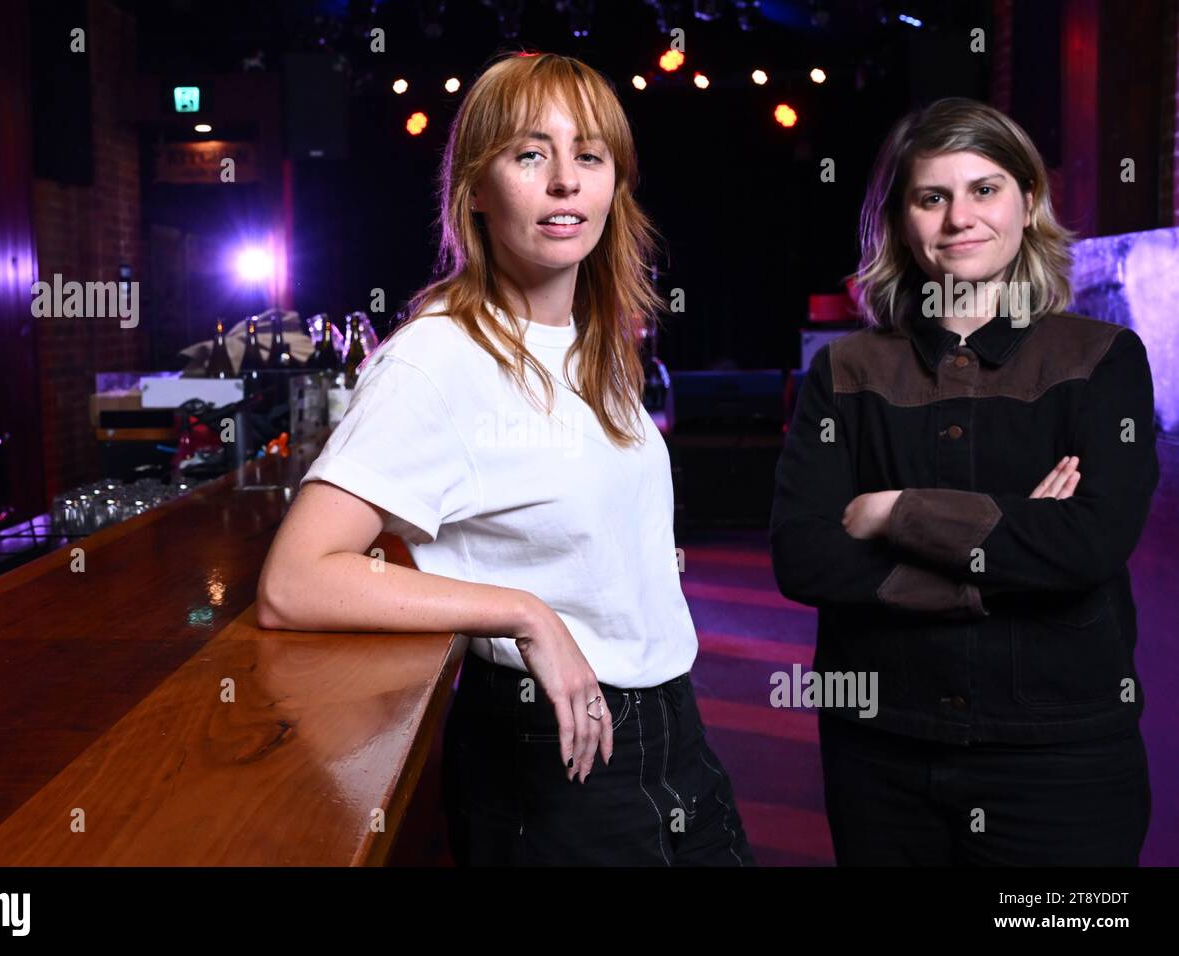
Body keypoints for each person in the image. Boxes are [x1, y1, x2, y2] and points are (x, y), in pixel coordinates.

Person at [256, 51, 753, 866]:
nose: (565, 181)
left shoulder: (593, 344)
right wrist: (524, 611)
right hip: (556, 752)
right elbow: (294, 579)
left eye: (588, 156)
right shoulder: (438, 358)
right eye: (530, 154)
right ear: (476, 191)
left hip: (674, 734)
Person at [770, 97, 1157, 866]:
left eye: (984, 189)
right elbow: (804, 556)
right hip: (882, 750)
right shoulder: (843, 373)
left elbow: (1087, 546)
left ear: (1027, 201)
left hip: (1061, 754)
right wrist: (1007, 541)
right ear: (900, 219)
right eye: (931, 196)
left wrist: (893, 513)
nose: (959, 218)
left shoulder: (1104, 359)